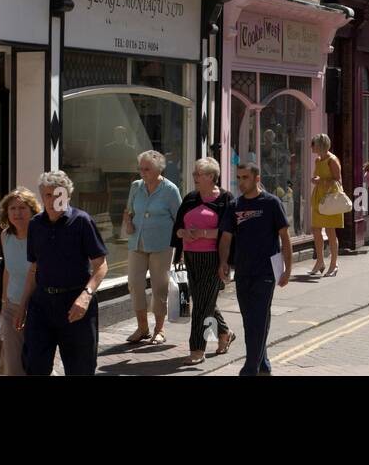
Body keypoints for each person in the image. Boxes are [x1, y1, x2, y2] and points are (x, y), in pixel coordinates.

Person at [21, 170, 109, 376]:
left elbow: (101, 265)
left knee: (80, 368)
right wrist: (22, 305)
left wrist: (85, 296)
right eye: (47, 195)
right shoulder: (35, 224)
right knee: (35, 366)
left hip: (75, 305)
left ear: (67, 195)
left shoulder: (81, 221)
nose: (52, 200)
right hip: (41, 304)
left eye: (57, 194)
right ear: (41, 196)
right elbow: (34, 268)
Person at [218, 164, 293, 376]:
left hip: (266, 271)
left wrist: (287, 269)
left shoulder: (271, 203)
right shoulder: (235, 205)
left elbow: (285, 238)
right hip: (243, 271)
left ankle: (250, 367)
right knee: (250, 319)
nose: (241, 182)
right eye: (239, 178)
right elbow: (225, 238)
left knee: (258, 318)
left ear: (257, 178)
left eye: (246, 178)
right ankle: (263, 364)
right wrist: (223, 262)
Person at [171, 157, 235, 365]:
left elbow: (229, 233)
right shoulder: (190, 198)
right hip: (190, 257)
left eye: (198, 174)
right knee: (204, 301)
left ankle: (197, 348)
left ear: (211, 176)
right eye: (195, 174)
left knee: (200, 307)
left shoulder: (226, 200)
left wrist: (204, 233)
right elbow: (177, 228)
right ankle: (225, 332)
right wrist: (183, 234)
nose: (194, 177)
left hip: (213, 258)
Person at [121, 149, 182, 345]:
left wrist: (180, 250)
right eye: (141, 169)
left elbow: (179, 219)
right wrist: (128, 222)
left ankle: (159, 329)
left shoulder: (170, 190)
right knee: (135, 284)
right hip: (137, 242)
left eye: (147, 169)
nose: (142, 172)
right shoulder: (136, 186)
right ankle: (142, 328)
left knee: (159, 288)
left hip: (161, 245)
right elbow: (129, 210)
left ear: (158, 169)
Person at [0, 186, 40, 375]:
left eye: (22, 208)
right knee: (12, 362)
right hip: (12, 305)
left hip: (37, 306)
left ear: (32, 210)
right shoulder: (5, 236)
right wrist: (4, 302)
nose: (17, 213)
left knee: (37, 360)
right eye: (12, 209)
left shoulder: (40, 236)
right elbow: (8, 270)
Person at [308, 133, 344, 277]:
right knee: (316, 230)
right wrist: (316, 179)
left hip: (330, 199)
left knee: (330, 232)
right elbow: (319, 176)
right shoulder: (318, 160)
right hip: (319, 198)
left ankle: (334, 264)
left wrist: (320, 181)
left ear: (320, 145)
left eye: (313, 144)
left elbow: (337, 180)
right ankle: (320, 261)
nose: (311, 146)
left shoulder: (332, 160)